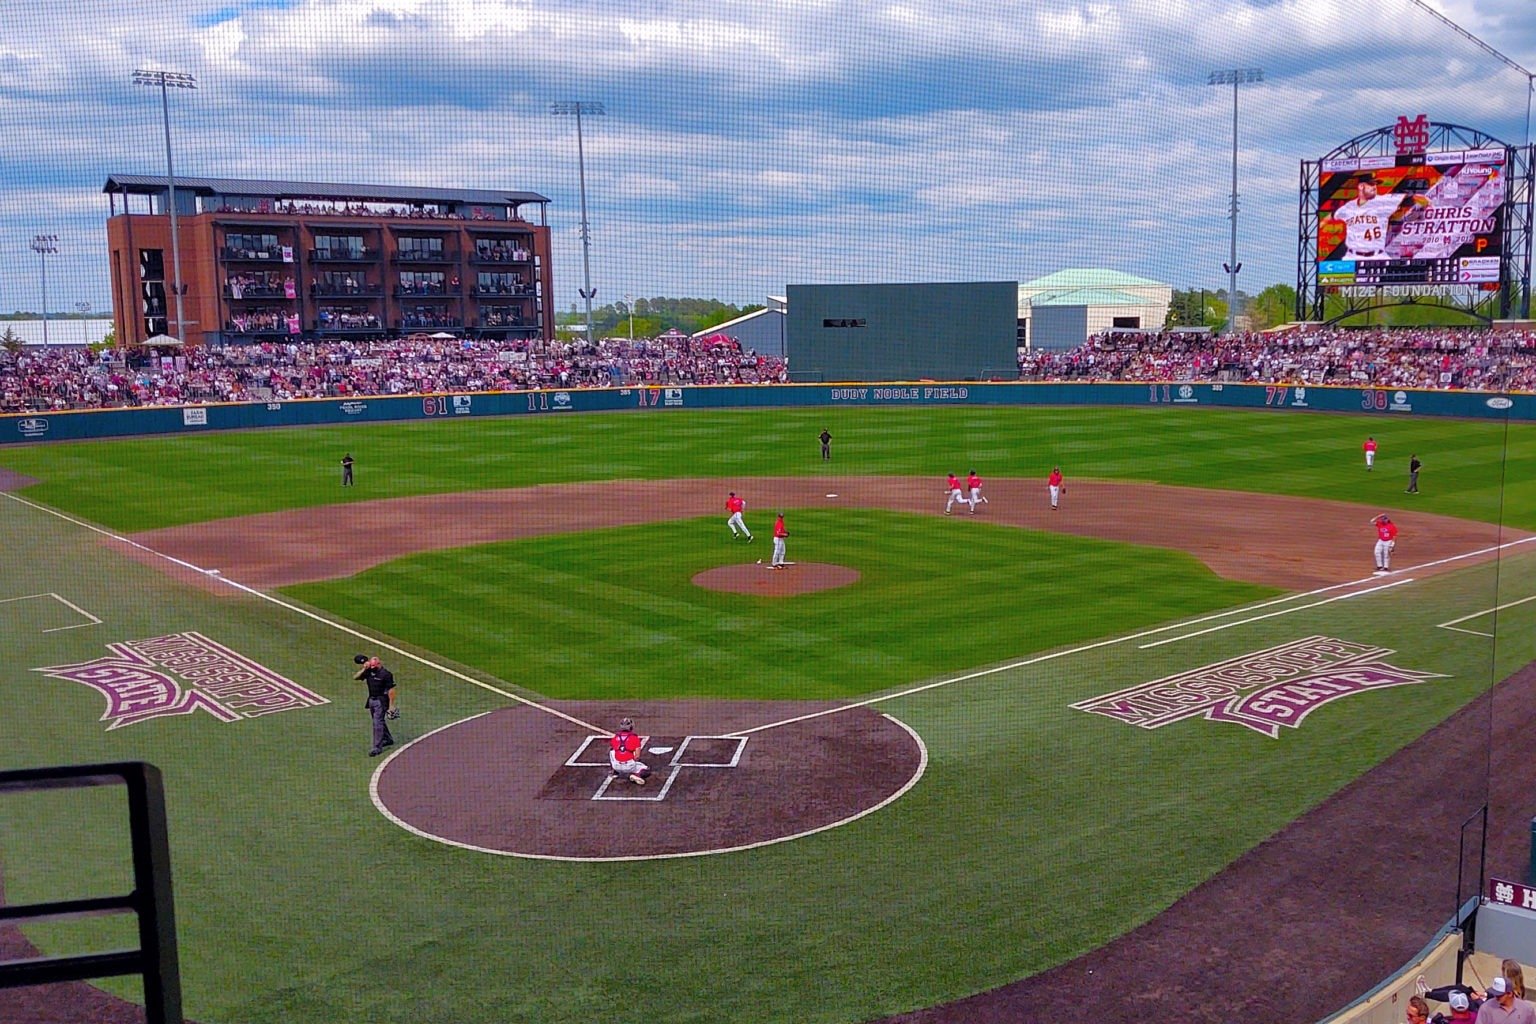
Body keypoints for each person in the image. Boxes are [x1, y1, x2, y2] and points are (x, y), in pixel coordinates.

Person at [1333, 172, 1430, 261]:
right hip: (1352, 256)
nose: (1375, 187)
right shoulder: (1348, 207)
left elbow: (1412, 197)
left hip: (1378, 256)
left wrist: (1424, 202)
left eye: (1376, 184)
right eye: (1371, 184)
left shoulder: (1383, 201)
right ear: (1361, 186)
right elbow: (1332, 218)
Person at [353, 655, 396, 756]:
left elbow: (391, 690)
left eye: (373, 666)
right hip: (371, 699)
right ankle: (388, 738)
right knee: (378, 720)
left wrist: (391, 705)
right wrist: (364, 669)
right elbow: (355, 677)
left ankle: (377, 747)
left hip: (381, 701)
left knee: (377, 723)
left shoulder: (386, 674)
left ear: (379, 664)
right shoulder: (368, 671)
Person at [609, 716, 652, 786]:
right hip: (629, 766)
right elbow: (637, 757)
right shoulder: (634, 738)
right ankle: (637, 775)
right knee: (646, 770)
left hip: (616, 766)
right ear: (631, 727)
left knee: (612, 751)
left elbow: (614, 750)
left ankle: (614, 771)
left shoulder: (615, 737)